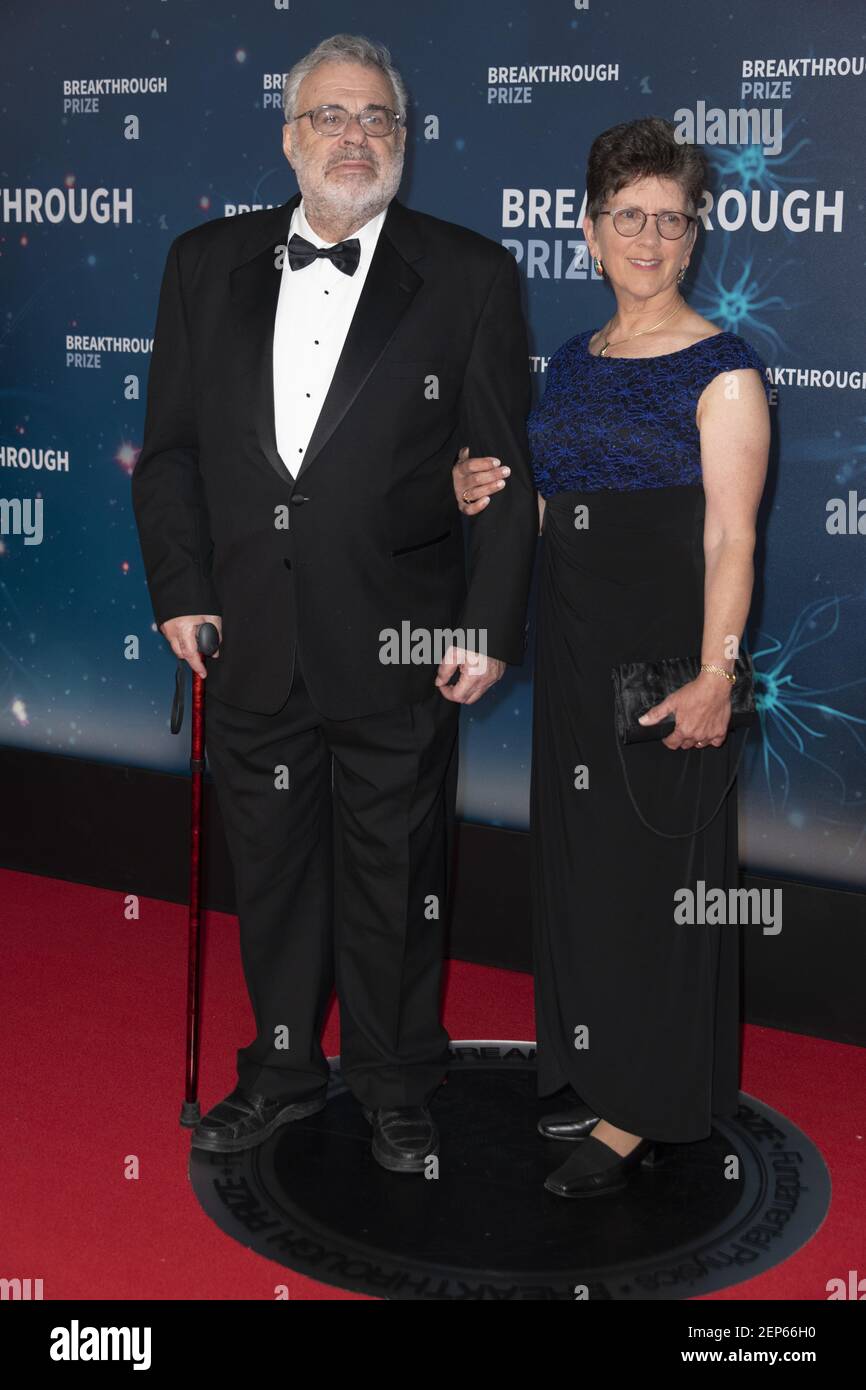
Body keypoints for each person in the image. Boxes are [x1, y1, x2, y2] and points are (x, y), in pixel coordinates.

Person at [132, 33, 537, 1173]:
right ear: (288, 135)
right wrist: (181, 591)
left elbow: (502, 469)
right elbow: (167, 454)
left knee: (396, 877)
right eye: (330, 116)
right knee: (270, 873)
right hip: (247, 634)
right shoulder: (200, 264)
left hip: (402, 639)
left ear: (403, 142)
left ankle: (396, 1077)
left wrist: (488, 623)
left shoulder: (468, 275)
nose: (353, 136)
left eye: (376, 119)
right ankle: (278, 1071)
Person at [453, 116, 771, 1197]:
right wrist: (482, 498)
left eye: (668, 221)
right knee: (585, 874)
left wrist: (716, 672)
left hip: (661, 662)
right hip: (575, 653)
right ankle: (592, 1067)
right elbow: (550, 506)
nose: (647, 238)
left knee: (656, 880)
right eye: (626, 217)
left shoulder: (723, 371)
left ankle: (642, 1106)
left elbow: (730, 535)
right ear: (588, 232)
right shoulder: (573, 359)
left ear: (693, 237)